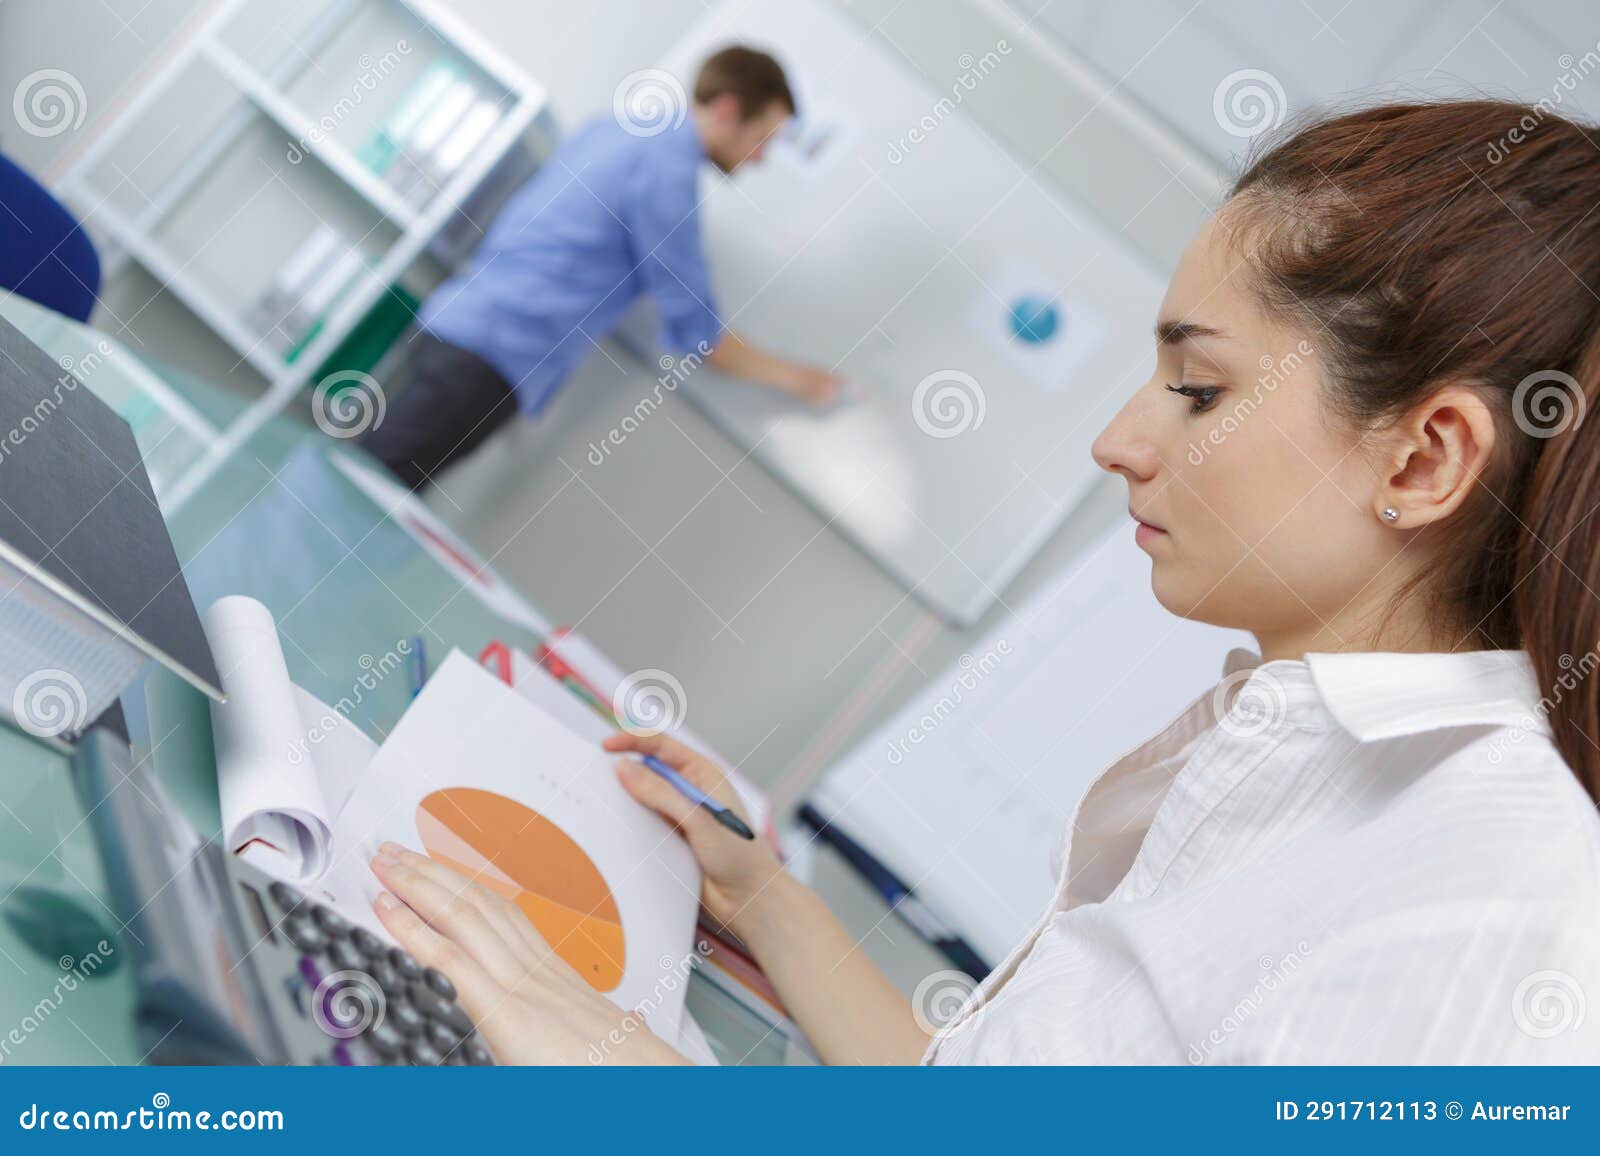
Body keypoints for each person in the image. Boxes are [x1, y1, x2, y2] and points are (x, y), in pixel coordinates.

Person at [365, 96, 1600, 1063]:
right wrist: (762, 893)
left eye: (1200, 389)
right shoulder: (1279, 746)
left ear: (1425, 456)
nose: (1119, 440)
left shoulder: (1502, 906)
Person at [362, 46, 843, 489]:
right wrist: (807, 382)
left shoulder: (618, 128)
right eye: (762, 139)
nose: (761, 158)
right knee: (363, 501)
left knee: (367, 484)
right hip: (488, 361)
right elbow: (703, 336)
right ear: (727, 110)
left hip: (459, 329)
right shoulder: (667, 176)